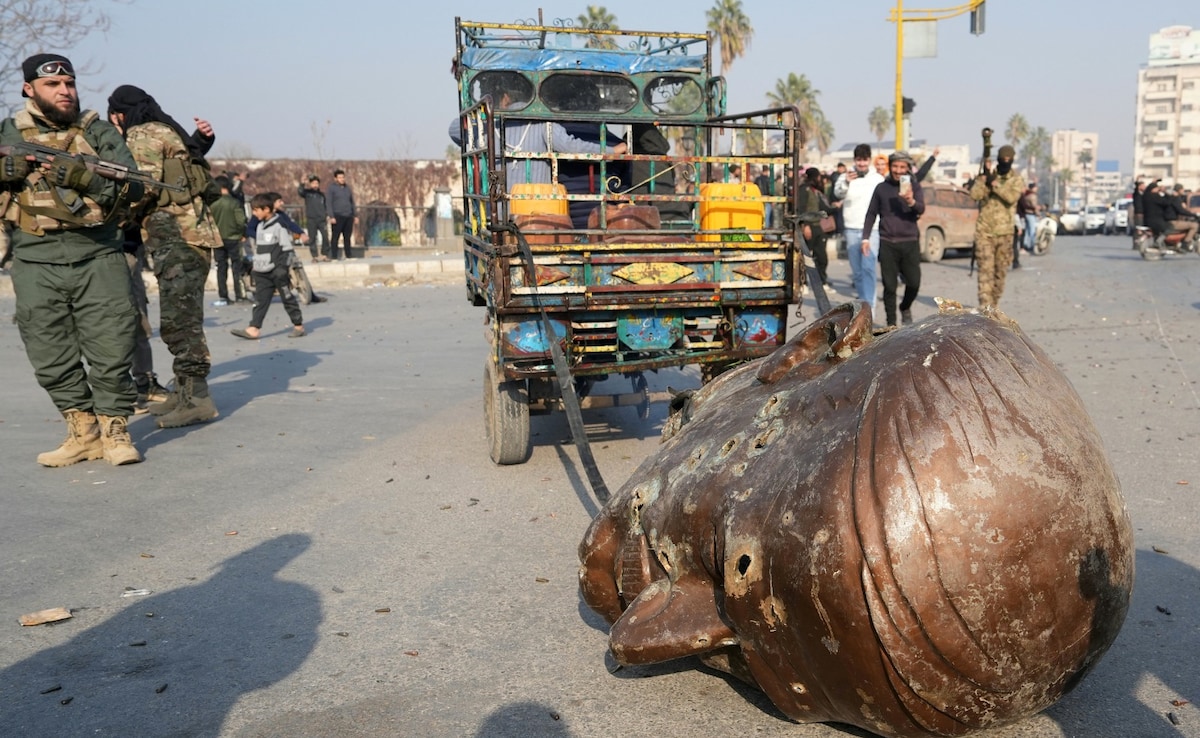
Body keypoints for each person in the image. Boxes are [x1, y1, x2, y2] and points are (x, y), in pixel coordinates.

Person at [0, 54, 145, 465]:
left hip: (97, 253)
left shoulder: (97, 132)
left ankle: (115, 429)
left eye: (69, 83)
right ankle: (82, 430)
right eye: (53, 85)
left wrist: (81, 176)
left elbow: (135, 190)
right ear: (29, 89)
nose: (65, 91)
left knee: (112, 344)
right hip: (34, 257)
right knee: (48, 349)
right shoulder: (8, 132)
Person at [107, 84, 221, 429]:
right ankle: (183, 393)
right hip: (187, 237)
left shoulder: (142, 134)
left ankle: (198, 400)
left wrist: (110, 216)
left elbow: (142, 188)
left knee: (181, 323)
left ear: (119, 114)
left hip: (179, 238)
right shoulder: (166, 130)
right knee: (179, 317)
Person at [862, 151, 926, 327]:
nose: (898, 170)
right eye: (895, 166)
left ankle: (905, 307)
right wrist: (865, 238)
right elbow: (871, 213)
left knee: (914, 283)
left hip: (910, 241)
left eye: (902, 167)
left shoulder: (914, 186)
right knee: (890, 287)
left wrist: (911, 200)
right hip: (888, 242)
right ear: (890, 167)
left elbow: (921, 209)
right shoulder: (881, 188)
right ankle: (891, 325)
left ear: (908, 169)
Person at [231, 193, 305, 340]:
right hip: (261, 271)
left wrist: (282, 268)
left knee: (287, 298)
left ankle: (298, 326)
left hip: (277, 270)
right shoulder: (260, 227)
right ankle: (254, 328)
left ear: (266, 209)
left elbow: (287, 249)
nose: (254, 213)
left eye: (256, 210)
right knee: (260, 301)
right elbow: (259, 249)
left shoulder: (279, 226)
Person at [969, 144, 1026, 310]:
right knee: (985, 273)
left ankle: (994, 303)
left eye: (1008, 159)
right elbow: (975, 195)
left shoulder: (1016, 179)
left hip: (1005, 233)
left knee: (1000, 273)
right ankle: (986, 307)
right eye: (1003, 159)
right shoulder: (987, 177)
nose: (1005, 162)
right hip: (984, 232)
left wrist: (995, 184)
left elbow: (1011, 197)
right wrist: (984, 180)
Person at [833, 144, 885, 318]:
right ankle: (863, 304)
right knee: (857, 271)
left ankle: (870, 309)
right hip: (851, 228)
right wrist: (847, 182)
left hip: (872, 230)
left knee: (868, 268)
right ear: (854, 160)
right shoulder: (844, 177)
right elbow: (838, 194)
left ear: (869, 160)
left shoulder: (877, 179)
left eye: (865, 160)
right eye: (859, 160)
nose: (862, 164)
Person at [210, 174, 247, 305]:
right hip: (234, 238)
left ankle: (223, 296)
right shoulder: (234, 202)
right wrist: (242, 233)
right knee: (237, 267)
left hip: (218, 239)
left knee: (221, 267)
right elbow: (241, 221)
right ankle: (240, 294)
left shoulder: (212, 204)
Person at [798, 167, 834, 286]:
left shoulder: (816, 191)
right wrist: (805, 226)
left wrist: (836, 207)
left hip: (818, 227)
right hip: (809, 227)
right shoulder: (804, 190)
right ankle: (803, 282)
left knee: (821, 257)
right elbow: (801, 209)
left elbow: (824, 208)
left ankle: (822, 281)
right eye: (818, 176)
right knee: (805, 258)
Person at [327, 168, 356, 260]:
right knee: (335, 237)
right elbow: (329, 203)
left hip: (348, 215)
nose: (342, 179)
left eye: (343, 177)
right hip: (337, 216)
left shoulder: (348, 188)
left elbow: (352, 202)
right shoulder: (331, 189)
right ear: (335, 178)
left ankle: (349, 255)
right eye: (340, 177)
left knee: (347, 237)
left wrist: (355, 215)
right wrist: (331, 216)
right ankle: (334, 256)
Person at [298, 174, 329, 261]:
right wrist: (302, 183)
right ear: (311, 184)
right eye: (313, 183)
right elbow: (300, 192)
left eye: (317, 183)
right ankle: (314, 256)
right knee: (312, 238)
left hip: (322, 219)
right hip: (311, 219)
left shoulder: (322, 195)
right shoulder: (307, 193)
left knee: (325, 237)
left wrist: (327, 215)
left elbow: (326, 206)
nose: (315, 185)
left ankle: (324, 254)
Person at [1017, 183, 1040, 255]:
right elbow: (1034, 206)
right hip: (1031, 214)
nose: (1037, 189)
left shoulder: (1026, 195)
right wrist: (1038, 213)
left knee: (1027, 231)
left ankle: (1025, 244)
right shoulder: (1032, 196)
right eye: (1036, 188)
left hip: (1026, 214)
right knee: (1032, 231)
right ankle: (1032, 245)